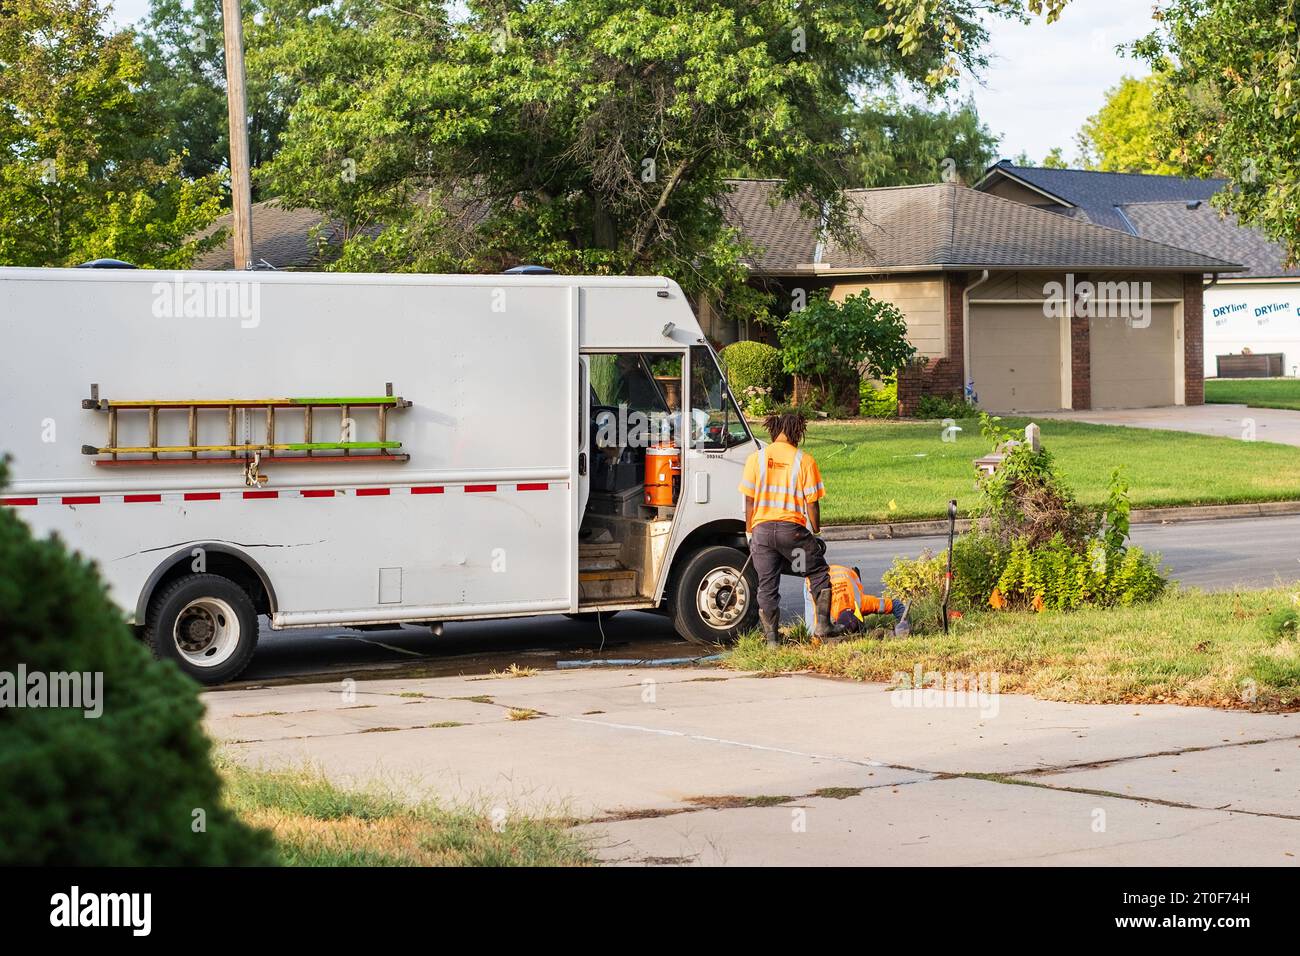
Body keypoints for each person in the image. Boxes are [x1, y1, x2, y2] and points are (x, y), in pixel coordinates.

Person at [739, 410, 840, 647]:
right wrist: (815, 531)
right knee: (816, 571)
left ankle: (772, 641)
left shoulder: (756, 459)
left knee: (767, 584)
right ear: (797, 432)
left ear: (774, 431)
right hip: (791, 532)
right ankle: (824, 626)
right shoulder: (804, 460)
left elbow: (749, 500)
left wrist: (749, 532)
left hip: (761, 533)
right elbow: (812, 502)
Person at [802, 565, 910, 639]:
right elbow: (818, 637)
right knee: (812, 633)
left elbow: (895, 604)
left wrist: (904, 623)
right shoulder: (826, 609)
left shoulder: (863, 603)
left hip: (848, 573)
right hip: (816, 579)